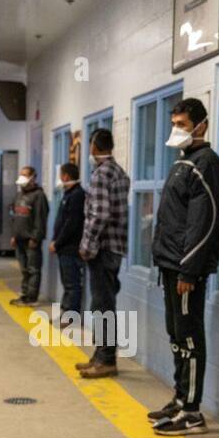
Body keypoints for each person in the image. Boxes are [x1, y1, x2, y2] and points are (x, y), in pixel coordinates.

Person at [147, 98, 219, 436]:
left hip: (184, 270)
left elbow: (203, 222)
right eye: (174, 123)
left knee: (189, 336)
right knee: (176, 333)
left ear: (202, 125)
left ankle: (192, 411)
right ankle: (181, 398)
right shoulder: (184, 161)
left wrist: (189, 271)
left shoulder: (206, 163)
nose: (176, 129)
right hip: (169, 264)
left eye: (182, 123)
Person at [76, 129, 130, 378]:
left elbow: (99, 214)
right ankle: (100, 355)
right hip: (115, 247)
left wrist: (87, 244)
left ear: (95, 147)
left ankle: (106, 359)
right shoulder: (118, 171)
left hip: (103, 248)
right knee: (104, 302)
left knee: (102, 305)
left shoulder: (101, 173)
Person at [49, 162, 86, 318]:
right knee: (67, 282)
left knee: (72, 284)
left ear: (65, 176)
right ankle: (66, 311)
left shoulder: (77, 194)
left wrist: (57, 242)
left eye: (60, 176)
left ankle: (71, 316)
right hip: (63, 247)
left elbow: (72, 224)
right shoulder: (68, 193)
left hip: (70, 247)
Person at [9, 165, 49, 306]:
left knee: (33, 269)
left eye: (25, 175)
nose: (22, 177)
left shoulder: (39, 196)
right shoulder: (19, 195)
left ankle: (32, 298)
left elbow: (40, 219)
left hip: (31, 240)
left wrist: (36, 237)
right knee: (24, 269)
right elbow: (15, 217)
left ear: (33, 177)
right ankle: (25, 294)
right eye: (21, 174)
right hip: (19, 238)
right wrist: (14, 235)